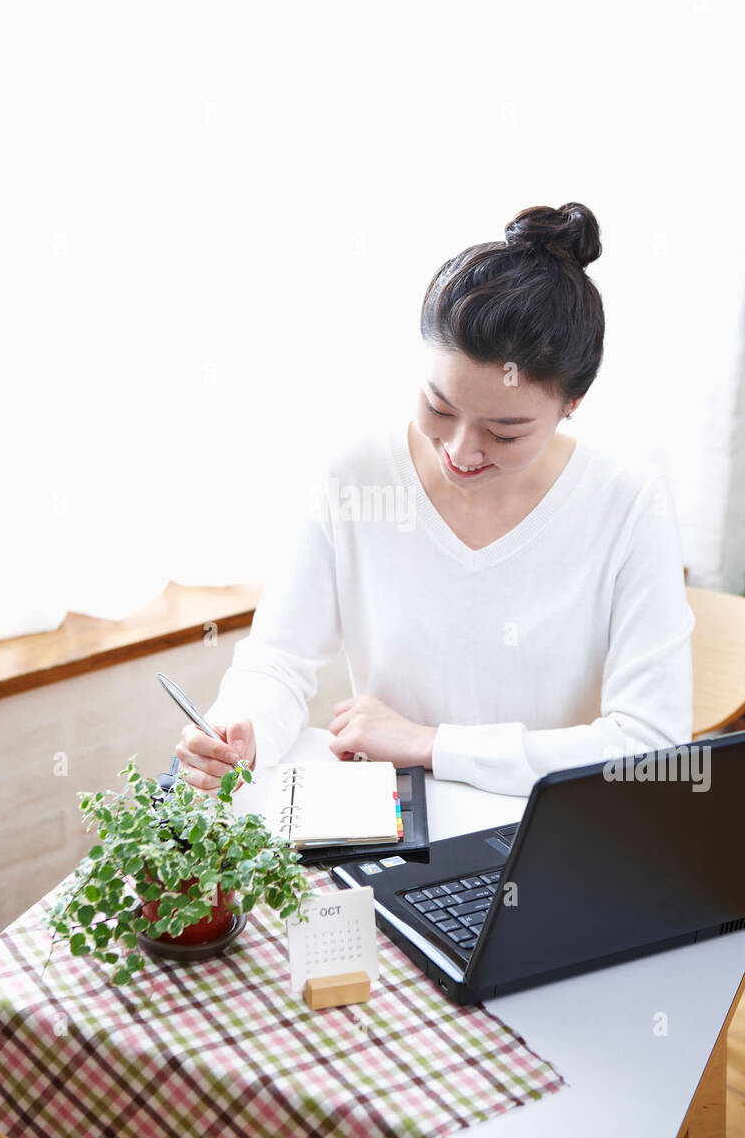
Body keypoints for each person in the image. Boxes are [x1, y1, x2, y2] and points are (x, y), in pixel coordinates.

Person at [174, 201, 695, 797]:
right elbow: (279, 659)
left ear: (572, 404)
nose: (461, 452)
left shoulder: (626, 501)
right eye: (439, 408)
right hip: (391, 828)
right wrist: (246, 726)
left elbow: (650, 744)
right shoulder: (357, 474)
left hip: (546, 831)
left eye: (505, 432)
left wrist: (431, 743)